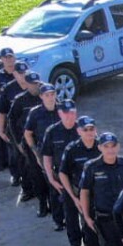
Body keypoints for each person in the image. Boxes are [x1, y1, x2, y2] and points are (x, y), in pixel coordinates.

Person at [58, 116, 105, 246]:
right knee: (89, 227)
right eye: (85, 129)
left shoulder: (103, 146)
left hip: (101, 194)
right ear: (78, 131)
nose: (89, 132)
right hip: (81, 194)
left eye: (92, 129)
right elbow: (63, 173)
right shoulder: (72, 149)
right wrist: (72, 197)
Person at [39, 99, 79, 234]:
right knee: (60, 203)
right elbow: (47, 156)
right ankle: (59, 222)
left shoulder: (83, 129)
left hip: (80, 175)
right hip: (60, 174)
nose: (69, 116)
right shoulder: (52, 131)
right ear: (59, 114)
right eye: (66, 113)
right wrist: (50, 178)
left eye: (72, 112)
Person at [22, 84, 60, 219]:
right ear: (41, 97)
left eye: (52, 94)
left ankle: (59, 216)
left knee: (58, 184)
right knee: (41, 181)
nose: (50, 98)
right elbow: (28, 133)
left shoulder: (62, 109)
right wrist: (35, 152)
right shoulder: (35, 113)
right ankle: (43, 205)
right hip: (42, 153)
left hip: (59, 152)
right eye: (47, 95)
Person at [6, 70, 44, 203]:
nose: (35, 87)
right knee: (26, 167)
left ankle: (45, 197)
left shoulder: (46, 96)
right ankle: (27, 191)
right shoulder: (20, 100)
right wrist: (16, 142)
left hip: (42, 139)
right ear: (27, 84)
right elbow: (11, 121)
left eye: (37, 84)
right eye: (32, 84)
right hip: (25, 140)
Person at [0, 61, 32, 188]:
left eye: (25, 72)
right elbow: (1, 111)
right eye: (19, 73)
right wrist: (0, 129)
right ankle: (16, 177)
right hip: (16, 129)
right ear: (14, 74)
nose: (22, 75)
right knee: (16, 156)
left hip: (34, 129)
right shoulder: (8, 89)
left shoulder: (36, 86)